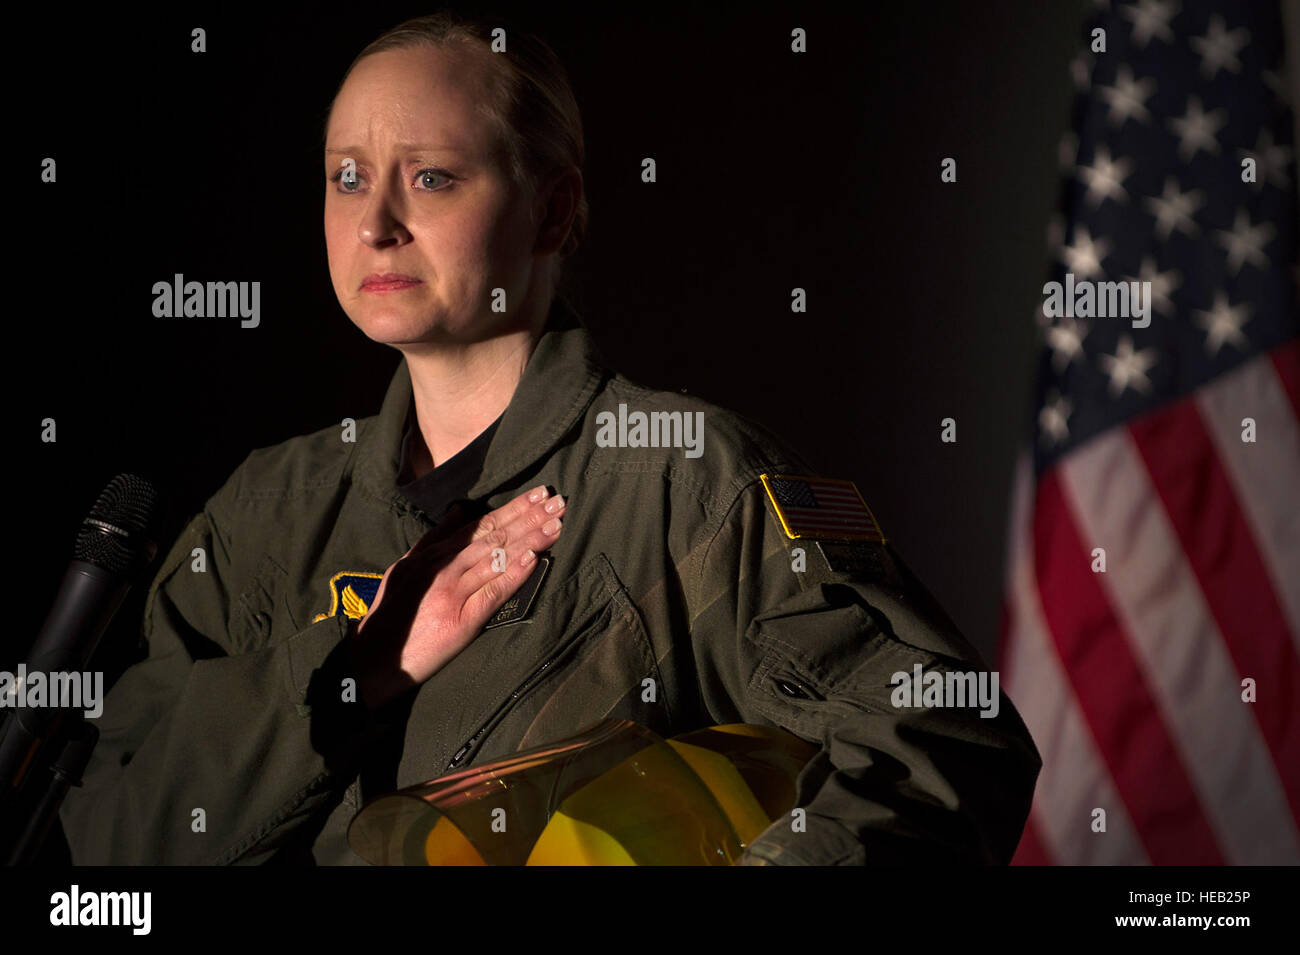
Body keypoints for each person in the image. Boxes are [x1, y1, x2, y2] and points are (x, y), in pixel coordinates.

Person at [59, 12, 1040, 866]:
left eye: (433, 177)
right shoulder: (263, 509)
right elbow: (106, 839)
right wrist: (353, 674)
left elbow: (947, 743)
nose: (377, 224)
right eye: (347, 177)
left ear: (554, 209)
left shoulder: (682, 476)